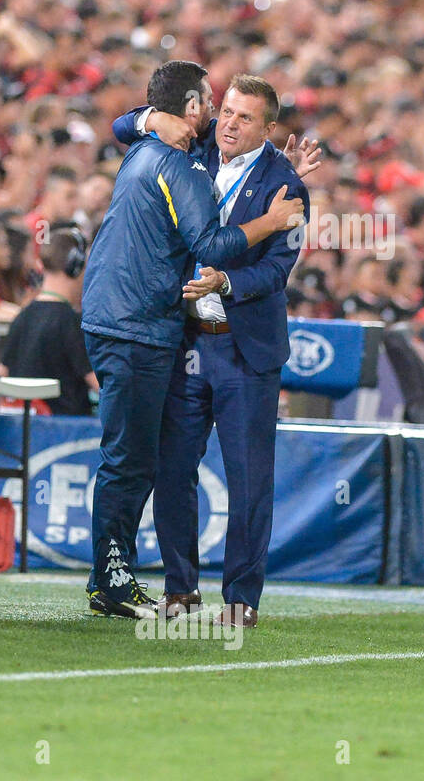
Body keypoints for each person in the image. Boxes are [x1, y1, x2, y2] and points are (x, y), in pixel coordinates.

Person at [81, 60, 303, 620]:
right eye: (224, 110)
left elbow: (277, 270)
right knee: (172, 470)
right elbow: (122, 126)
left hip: (245, 350)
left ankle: (240, 599)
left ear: (266, 129)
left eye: (244, 118)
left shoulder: (288, 186)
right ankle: (181, 588)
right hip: (184, 343)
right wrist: (154, 114)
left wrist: (227, 282)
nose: (228, 123)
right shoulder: (192, 148)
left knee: (248, 478)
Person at [0, 224, 96, 416]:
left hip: (28, 432)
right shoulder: (71, 323)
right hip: (68, 435)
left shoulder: (22, 317)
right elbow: (101, 386)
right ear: (75, 267)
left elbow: (1, 377)